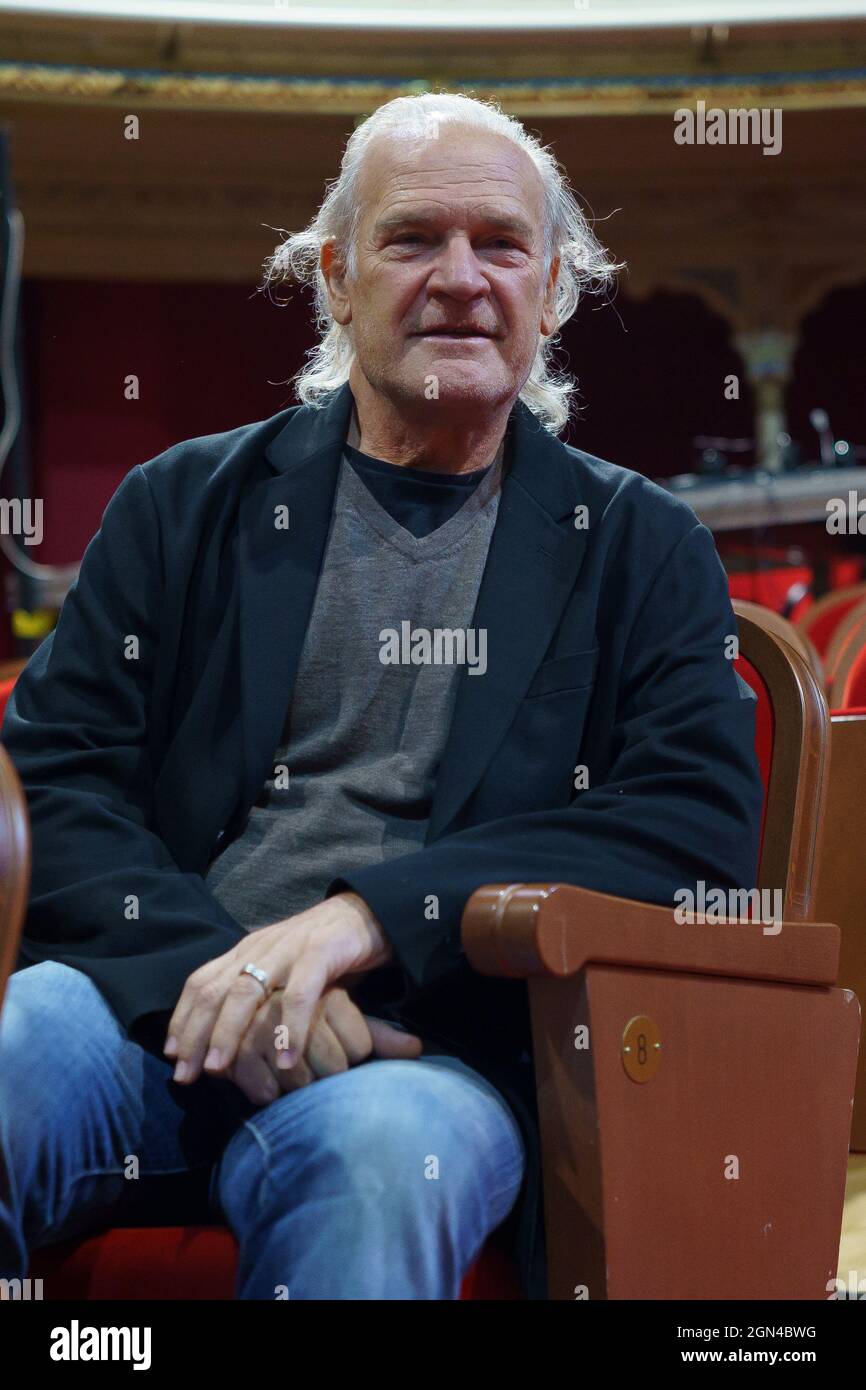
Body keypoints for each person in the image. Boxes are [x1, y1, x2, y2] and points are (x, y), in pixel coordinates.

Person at [0, 91, 763, 1300]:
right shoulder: (179, 504)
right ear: (333, 278)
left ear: (552, 290)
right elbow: (56, 782)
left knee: (373, 1160)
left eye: (500, 245)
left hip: (435, 1048)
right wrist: (237, 981)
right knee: (14, 1044)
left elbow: (692, 827)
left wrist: (370, 920)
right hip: (161, 1014)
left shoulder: (637, 542)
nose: (461, 278)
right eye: (412, 239)